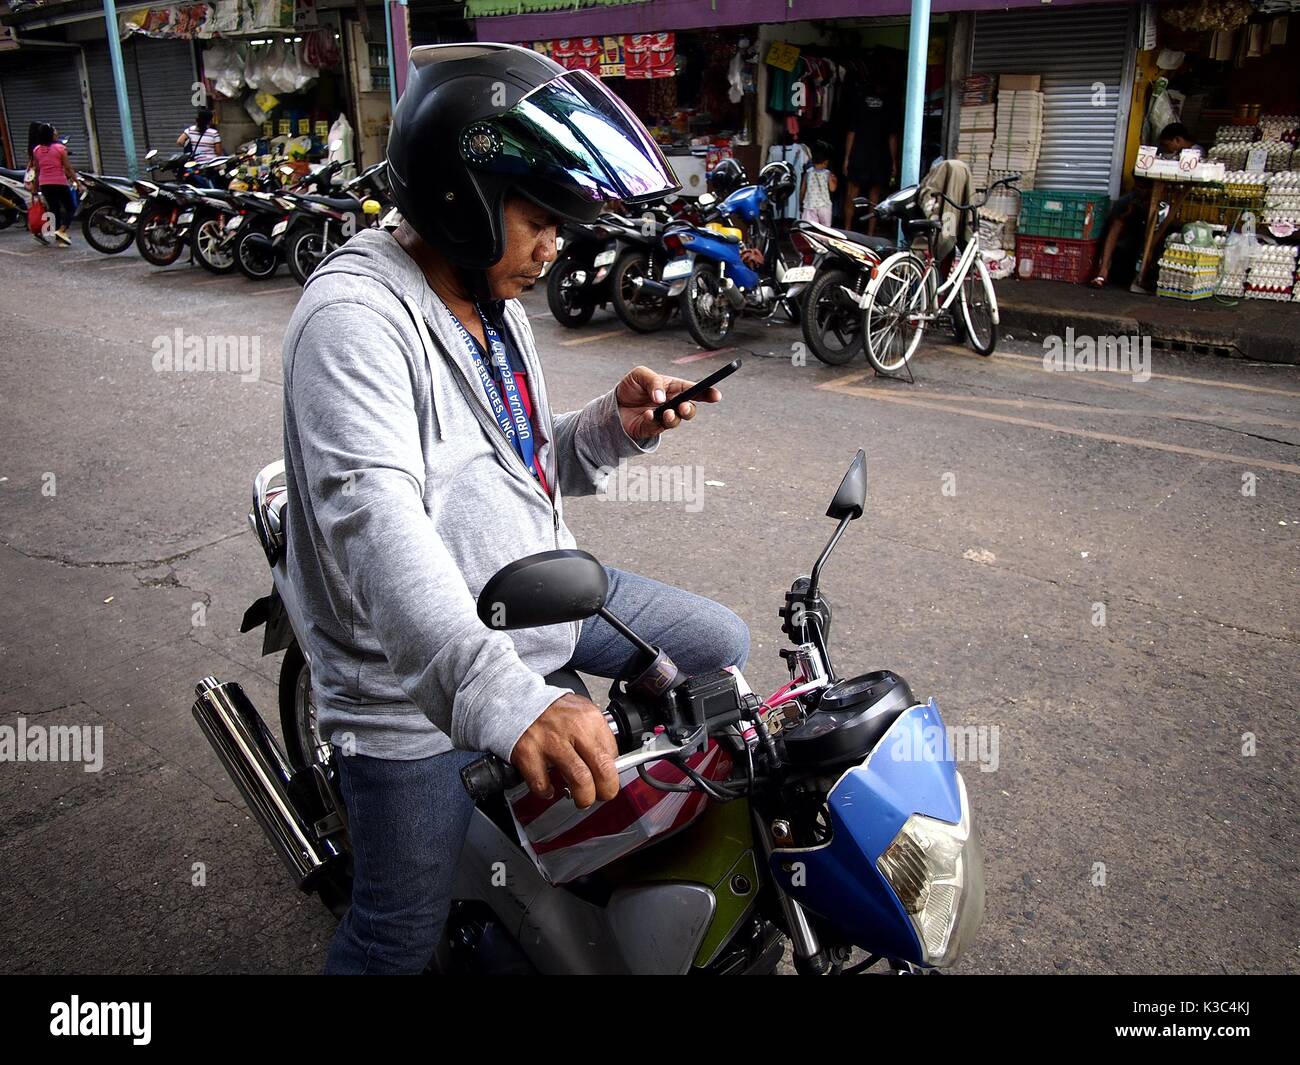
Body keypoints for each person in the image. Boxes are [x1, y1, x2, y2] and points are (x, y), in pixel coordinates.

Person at [281, 42, 750, 975]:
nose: (554, 247)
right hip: (408, 686)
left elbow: (517, 470)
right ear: (460, 198)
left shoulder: (498, 306)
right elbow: (379, 531)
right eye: (540, 219)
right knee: (393, 936)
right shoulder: (351, 324)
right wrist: (509, 703)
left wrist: (615, 427)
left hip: (539, 599)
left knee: (722, 644)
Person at [1091, 122, 1203, 288]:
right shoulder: (1172, 156)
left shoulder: (1196, 152)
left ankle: (1141, 273)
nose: (1165, 149)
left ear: (1178, 140)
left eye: (1167, 144)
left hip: (1172, 201)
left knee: (1154, 227)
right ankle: (1103, 270)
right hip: (1153, 201)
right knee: (1118, 219)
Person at [843, 74, 901, 236]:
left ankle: (847, 231)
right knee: (874, 198)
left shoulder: (859, 102)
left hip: (859, 154)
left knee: (851, 195)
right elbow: (892, 137)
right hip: (880, 156)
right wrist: (894, 162)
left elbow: (851, 132)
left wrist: (847, 158)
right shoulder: (890, 105)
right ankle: (870, 234)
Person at [27, 122, 77, 247]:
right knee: (71, 207)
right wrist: (77, 182)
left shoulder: (36, 150)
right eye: (55, 132)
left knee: (54, 209)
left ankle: (60, 237)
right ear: (51, 135)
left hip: (45, 183)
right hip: (59, 182)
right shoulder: (60, 148)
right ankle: (62, 230)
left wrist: (35, 187)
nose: (57, 133)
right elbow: (68, 168)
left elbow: (37, 170)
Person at [801, 141, 837, 226]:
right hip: (824, 205)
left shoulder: (808, 173)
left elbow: (803, 190)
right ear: (826, 162)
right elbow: (832, 188)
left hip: (810, 204)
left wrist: (801, 201)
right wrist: (835, 181)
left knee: (809, 228)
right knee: (826, 229)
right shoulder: (828, 174)